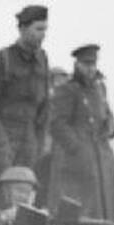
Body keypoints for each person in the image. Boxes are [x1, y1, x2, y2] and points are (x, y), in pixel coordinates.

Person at [46, 43, 114, 225]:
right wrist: (75, 147)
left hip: (101, 152)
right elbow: (57, 123)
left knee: (107, 198)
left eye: (93, 63)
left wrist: (110, 125)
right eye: (86, 64)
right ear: (77, 64)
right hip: (76, 156)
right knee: (77, 203)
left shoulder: (100, 87)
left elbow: (106, 111)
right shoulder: (68, 90)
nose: (90, 68)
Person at [0, 5, 50, 207]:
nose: (43, 35)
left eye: (45, 29)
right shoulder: (1, 59)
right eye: (38, 29)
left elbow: (44, 108)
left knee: (25, 190)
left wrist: (39, 142)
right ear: (23, 29)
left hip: (29, 139)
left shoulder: (43, 60)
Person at [33, 66, 71, 207]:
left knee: (50, 187)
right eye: (57, 79)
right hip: (45, 152)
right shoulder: (44, 99)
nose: (60, 82)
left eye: (63, 79)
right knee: (42, 186)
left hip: (56, 153)